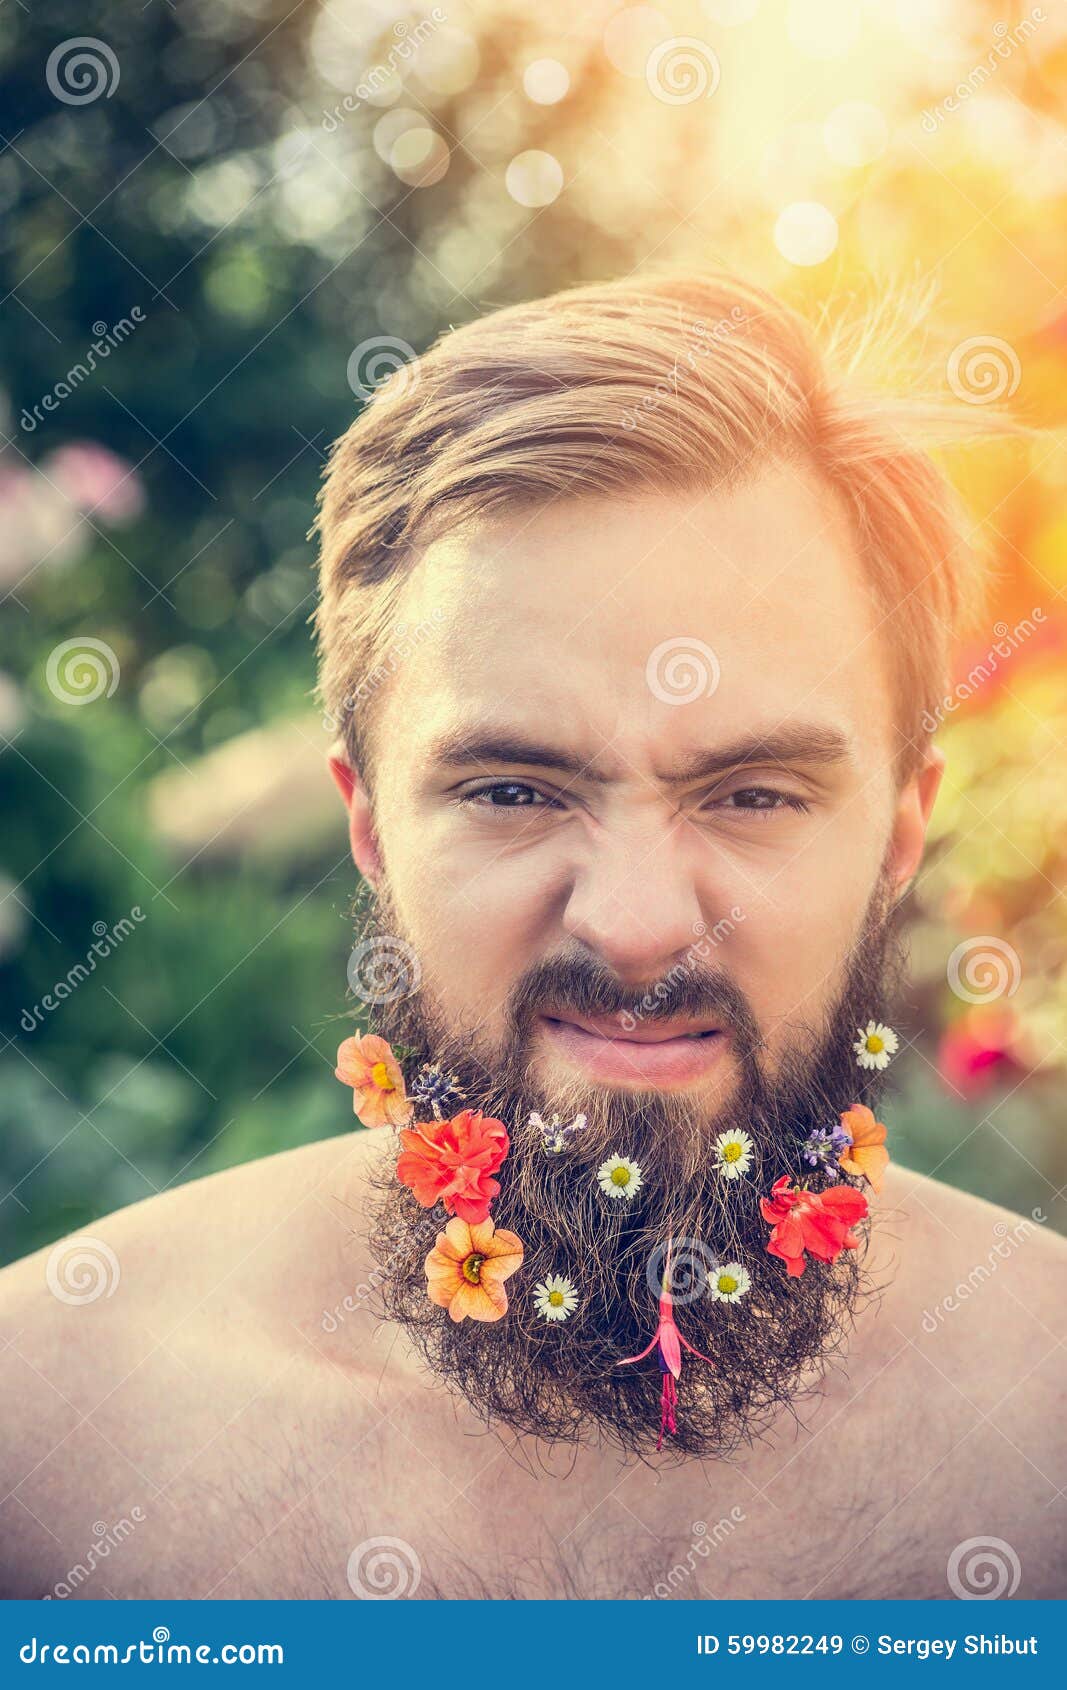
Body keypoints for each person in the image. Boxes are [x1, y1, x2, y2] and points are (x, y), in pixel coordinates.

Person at [2, 273, 1064, 1601]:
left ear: (902, 832)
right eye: (513, 791)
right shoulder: (48, 1454)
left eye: (753, 794)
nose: (635, 925)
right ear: (370, 824)